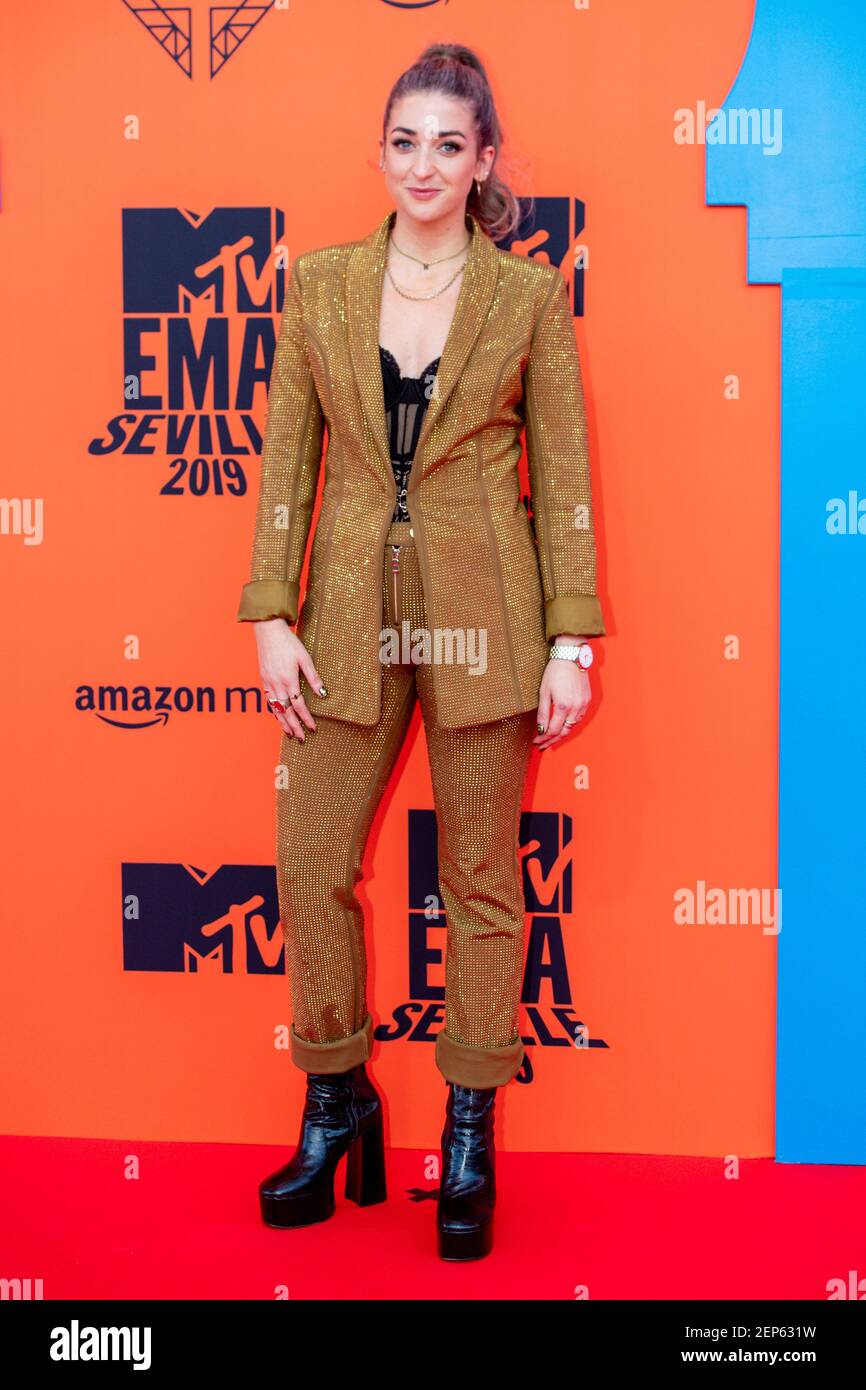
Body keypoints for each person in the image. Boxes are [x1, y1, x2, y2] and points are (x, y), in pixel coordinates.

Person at [236, 42, 606, 1261]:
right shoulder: (323, 285)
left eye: (450, 143)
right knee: (310, 865)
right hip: (343, 612)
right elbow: (287, 461)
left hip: (484, 619)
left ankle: (465, 1128)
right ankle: (335, 1096)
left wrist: (570, 639)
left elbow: (559, 479)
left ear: (484, 159)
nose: (424, 164)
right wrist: (268, 611)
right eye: (404, 140)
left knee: (483, 885)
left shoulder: (527, 299)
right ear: (381, 151)